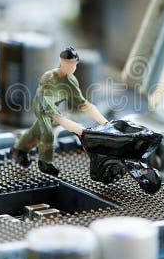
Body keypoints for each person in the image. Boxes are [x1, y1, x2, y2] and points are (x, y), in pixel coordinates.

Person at [10, 47, 108, 175]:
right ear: (61, 61)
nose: (72, 67)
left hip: (55, 106)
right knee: (48, 133)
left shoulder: (71, 81)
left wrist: (105, 123)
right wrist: (74, 127)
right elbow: (48, 104)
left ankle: (19, 150)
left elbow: (82, 103)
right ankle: (45, 162)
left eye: (74, 64)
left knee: (36, 130)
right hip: (42, 105)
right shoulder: (49, 78)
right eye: (69, 64)